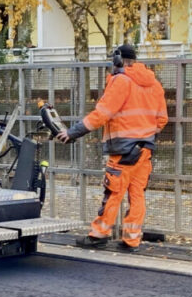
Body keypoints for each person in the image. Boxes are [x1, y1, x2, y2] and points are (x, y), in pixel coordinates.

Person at [56, 44, 168, 251]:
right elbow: (162, 120)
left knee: (113, 192)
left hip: (123, 151)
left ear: (118, 60)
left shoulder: (120, 81)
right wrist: (144, 134)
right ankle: (131, 239)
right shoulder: (155, 85)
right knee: (137, 194)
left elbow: (102, 114)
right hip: (145, 150)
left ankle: (98, 235)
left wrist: (73, 132)